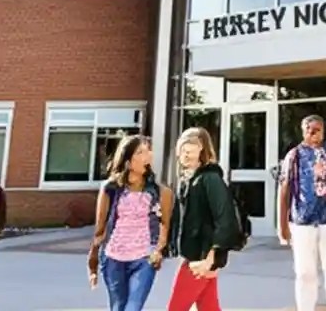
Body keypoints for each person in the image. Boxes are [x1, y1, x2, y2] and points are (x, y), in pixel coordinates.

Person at [88, 135, 173, 311]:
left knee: (133, 308)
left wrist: (158, 250)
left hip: (144, 259)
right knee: (118, 307)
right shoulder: (110, 189)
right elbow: (100, 229)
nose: (148, 156)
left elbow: (165, 226)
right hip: (113, 259)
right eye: (140, 152)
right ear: (128, 159)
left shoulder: (160, 192)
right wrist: (93, 263)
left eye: (149, 151)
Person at [278, 114, 326, 311]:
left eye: (317, 129)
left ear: (324, 130)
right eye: (309, 129)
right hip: (302, 222)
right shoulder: (294, 155)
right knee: (305, 273)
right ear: (303, 131)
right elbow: (284, 190)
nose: (313, 133)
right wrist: (282, 225)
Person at [167, 126, 240, 311]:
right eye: (183, 149)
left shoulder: (210, 179)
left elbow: (226, 219)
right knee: (209, 307)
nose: (186, 154)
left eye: (191, 148)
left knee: (176, 308)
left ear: (203, 150)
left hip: (200, 259)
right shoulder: (190, 181)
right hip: (197, 256)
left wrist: (211, 258)